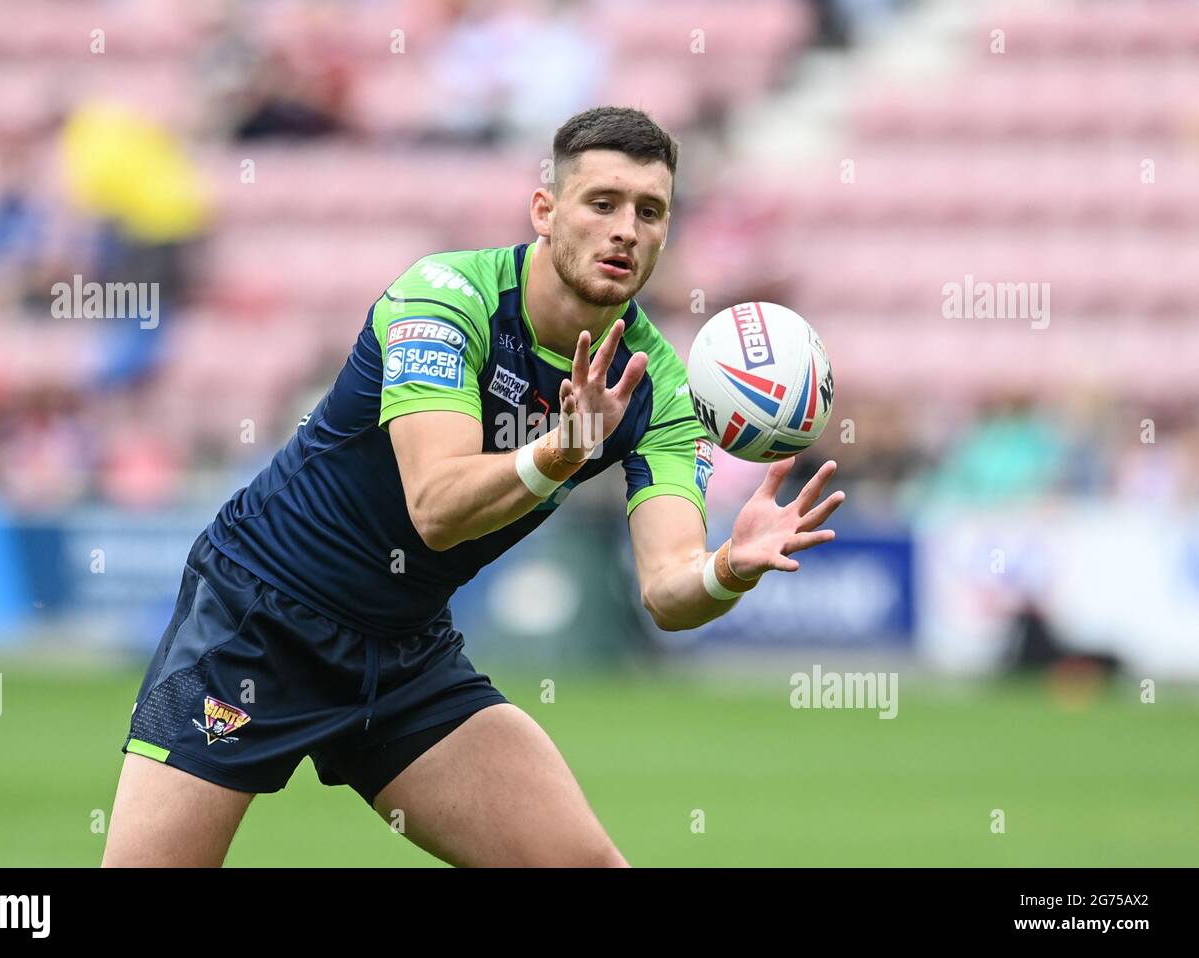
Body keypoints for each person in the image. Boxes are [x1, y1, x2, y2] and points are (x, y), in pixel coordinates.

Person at [101, 106, 844, 868]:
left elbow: (666, 592)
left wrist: (727, 570)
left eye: (650, 212)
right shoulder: (446, 298)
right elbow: (436, 509)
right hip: (257, 620)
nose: (626, 229)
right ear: (545, 212)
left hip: (403, 655)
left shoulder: (655, 388)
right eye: (603, 203)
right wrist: (563, 449)